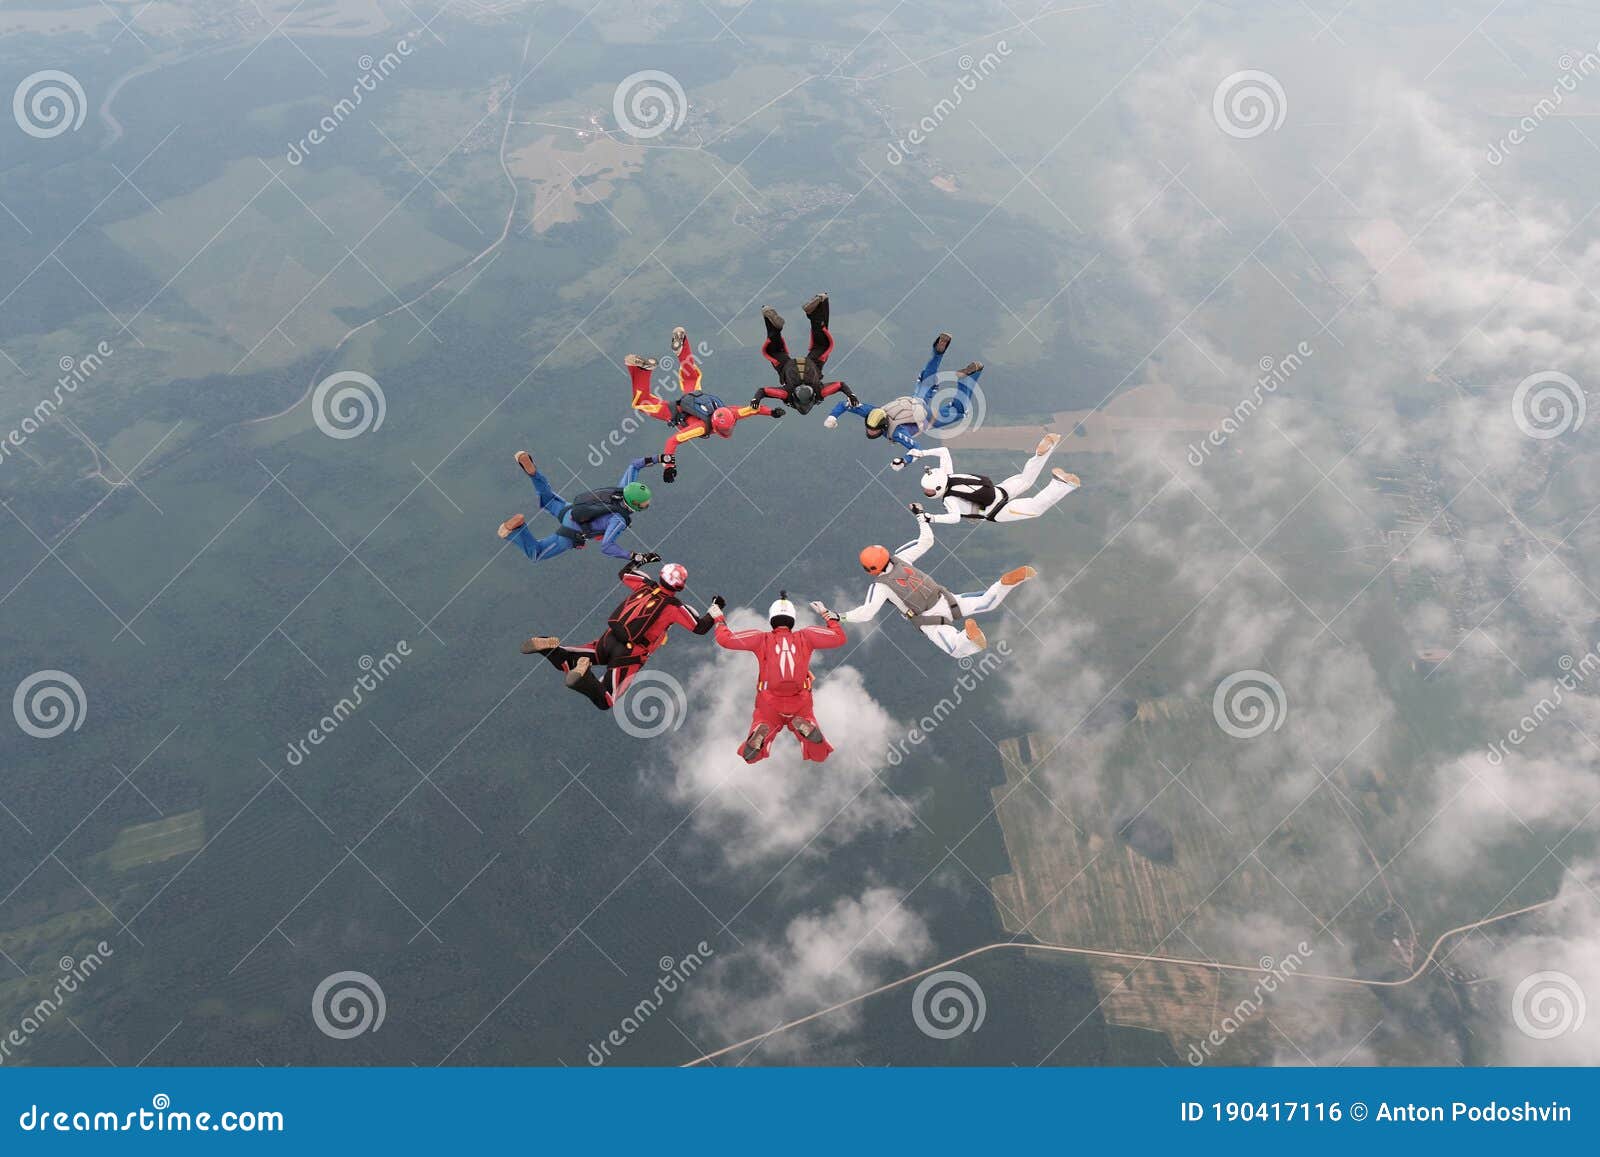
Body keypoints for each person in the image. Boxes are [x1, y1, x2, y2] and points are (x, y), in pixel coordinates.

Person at [522, 559, 719, 711]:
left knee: (569, 658)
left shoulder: (645, 585)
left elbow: (624, 573)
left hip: (609, 638)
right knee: (606, 700)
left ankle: (550, 647)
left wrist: (641, 560)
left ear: (661, 576)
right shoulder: (675, 607)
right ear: (680, 586)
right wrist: (716, 608)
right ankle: (584, 676)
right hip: (630, 653)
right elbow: (700, 628)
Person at [840, 508, 1035, 658]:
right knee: (988, 601)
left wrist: (840, 617)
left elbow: (866, 613)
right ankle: (1004, 583)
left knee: (956, 650)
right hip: (945, 598)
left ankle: (969, 638)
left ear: (870, 569)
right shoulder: (901, 558)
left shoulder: (880, 586)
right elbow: (927, 541)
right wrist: (920, 517)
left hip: (928, 618)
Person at [628, 327, 783, 482]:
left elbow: (753, 410)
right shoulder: (702, 427)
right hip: (677, 410)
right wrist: (669, 468)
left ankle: (683, 346)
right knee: (642, 403)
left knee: (690, 377)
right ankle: (644, 370)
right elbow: (672, 441)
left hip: (696, 396)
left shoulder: (729, 413)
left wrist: (772, 412)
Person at [710, 591, 846, 763]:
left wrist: (719, 618)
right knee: (820, 754)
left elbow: (725, 639)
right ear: (792, 621)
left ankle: (760, 731)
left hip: (769, 702)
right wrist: (827, 614)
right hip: (800, 701)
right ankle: (807, 725)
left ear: (771, 620)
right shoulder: (807, 636)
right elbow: (839, 638)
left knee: (752, 753)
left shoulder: (761, 639)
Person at [824, 331, 981, 454]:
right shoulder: (871, 412)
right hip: (914, 401)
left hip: (925, 417)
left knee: (958, 411)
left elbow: (916, 448)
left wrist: (904, 461)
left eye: (872, 430)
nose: (871, 431)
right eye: (870, 429)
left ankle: (969, 377)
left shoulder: (896, 433)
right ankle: (938, 352)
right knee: (927, 380)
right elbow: (845, 404)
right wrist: (833, 416)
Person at [497, 450, 658, 564]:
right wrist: (634, 556)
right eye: (645, 504)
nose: (647, 504)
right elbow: (607, 547)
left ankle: (533, 474)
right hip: (571, 532)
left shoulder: (623, 489)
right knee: (537, 554)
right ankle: (515, 530)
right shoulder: (619, 520)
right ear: (634, 504)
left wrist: (660, 458)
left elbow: (635, 465)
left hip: (571, 510)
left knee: (548, 499)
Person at [908, 435, 1080, 524]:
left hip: (997, 511)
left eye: (929, 491)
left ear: (938, 488)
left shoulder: (949, 499)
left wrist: (930, 518)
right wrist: (922, 453)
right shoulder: (948, 474)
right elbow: (944, 451)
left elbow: (954, 518)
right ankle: (1042, 453)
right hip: (999, 490)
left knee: (1034, 509)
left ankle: (1061, 484)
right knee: (1026, 480)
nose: (926, 493)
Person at [752, 293, 859, 416]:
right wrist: (756, 400)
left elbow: (840, 385)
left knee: (822, 345)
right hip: (790, 366)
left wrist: (851, 395)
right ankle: (773, 327)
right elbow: (763, 391)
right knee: (775, 351)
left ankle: (819, 307)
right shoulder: (786, 393)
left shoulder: (820, 392)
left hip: (811, 364)